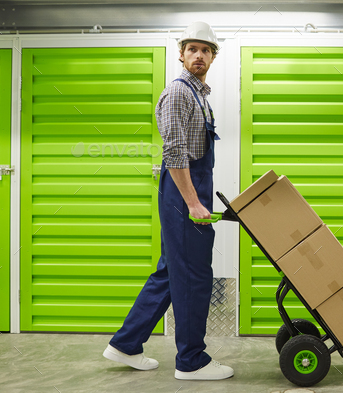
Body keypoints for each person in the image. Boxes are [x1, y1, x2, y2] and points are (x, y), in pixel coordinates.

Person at [102, 21, 234, 381]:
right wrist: (193, 203)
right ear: (181, 54)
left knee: (169, 272)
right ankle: (191, 361)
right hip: (183, 196)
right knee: (193, 276)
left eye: (206, 50)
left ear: (213, 57)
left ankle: (126, 343)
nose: (199, 55)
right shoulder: (179, 93)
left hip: (189, 194)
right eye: (193, 49)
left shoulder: (200, 95)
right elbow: (174, 153)